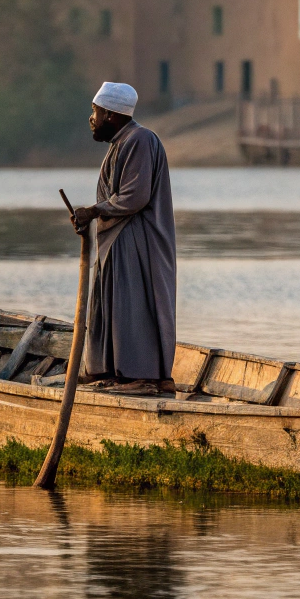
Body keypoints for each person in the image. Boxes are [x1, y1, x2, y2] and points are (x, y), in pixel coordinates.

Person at [67, 81, 176, 396]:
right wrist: (89, 218)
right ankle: (114, 373)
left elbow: (134, 196)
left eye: (95, 111)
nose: (92, 118)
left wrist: (94, 211)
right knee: (113, 308)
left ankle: (144, 376)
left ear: (111, 115)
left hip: (138, 242)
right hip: (116, 241)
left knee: (134, 307)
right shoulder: (120, 143)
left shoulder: (140, 139)